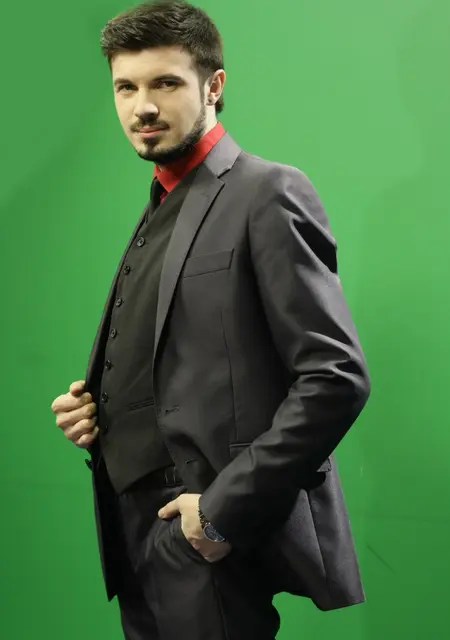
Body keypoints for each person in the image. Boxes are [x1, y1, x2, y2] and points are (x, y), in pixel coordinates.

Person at [50, 2, 371, 638]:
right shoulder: (161, 202)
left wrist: (221, 512)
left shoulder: (267, 192)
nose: (143, 106)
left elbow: (335, 378)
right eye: (126, 87)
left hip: (202, 530)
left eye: (165, 83)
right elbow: (187, 362)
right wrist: (102, 412)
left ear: (213, 85)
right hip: (131, 531)